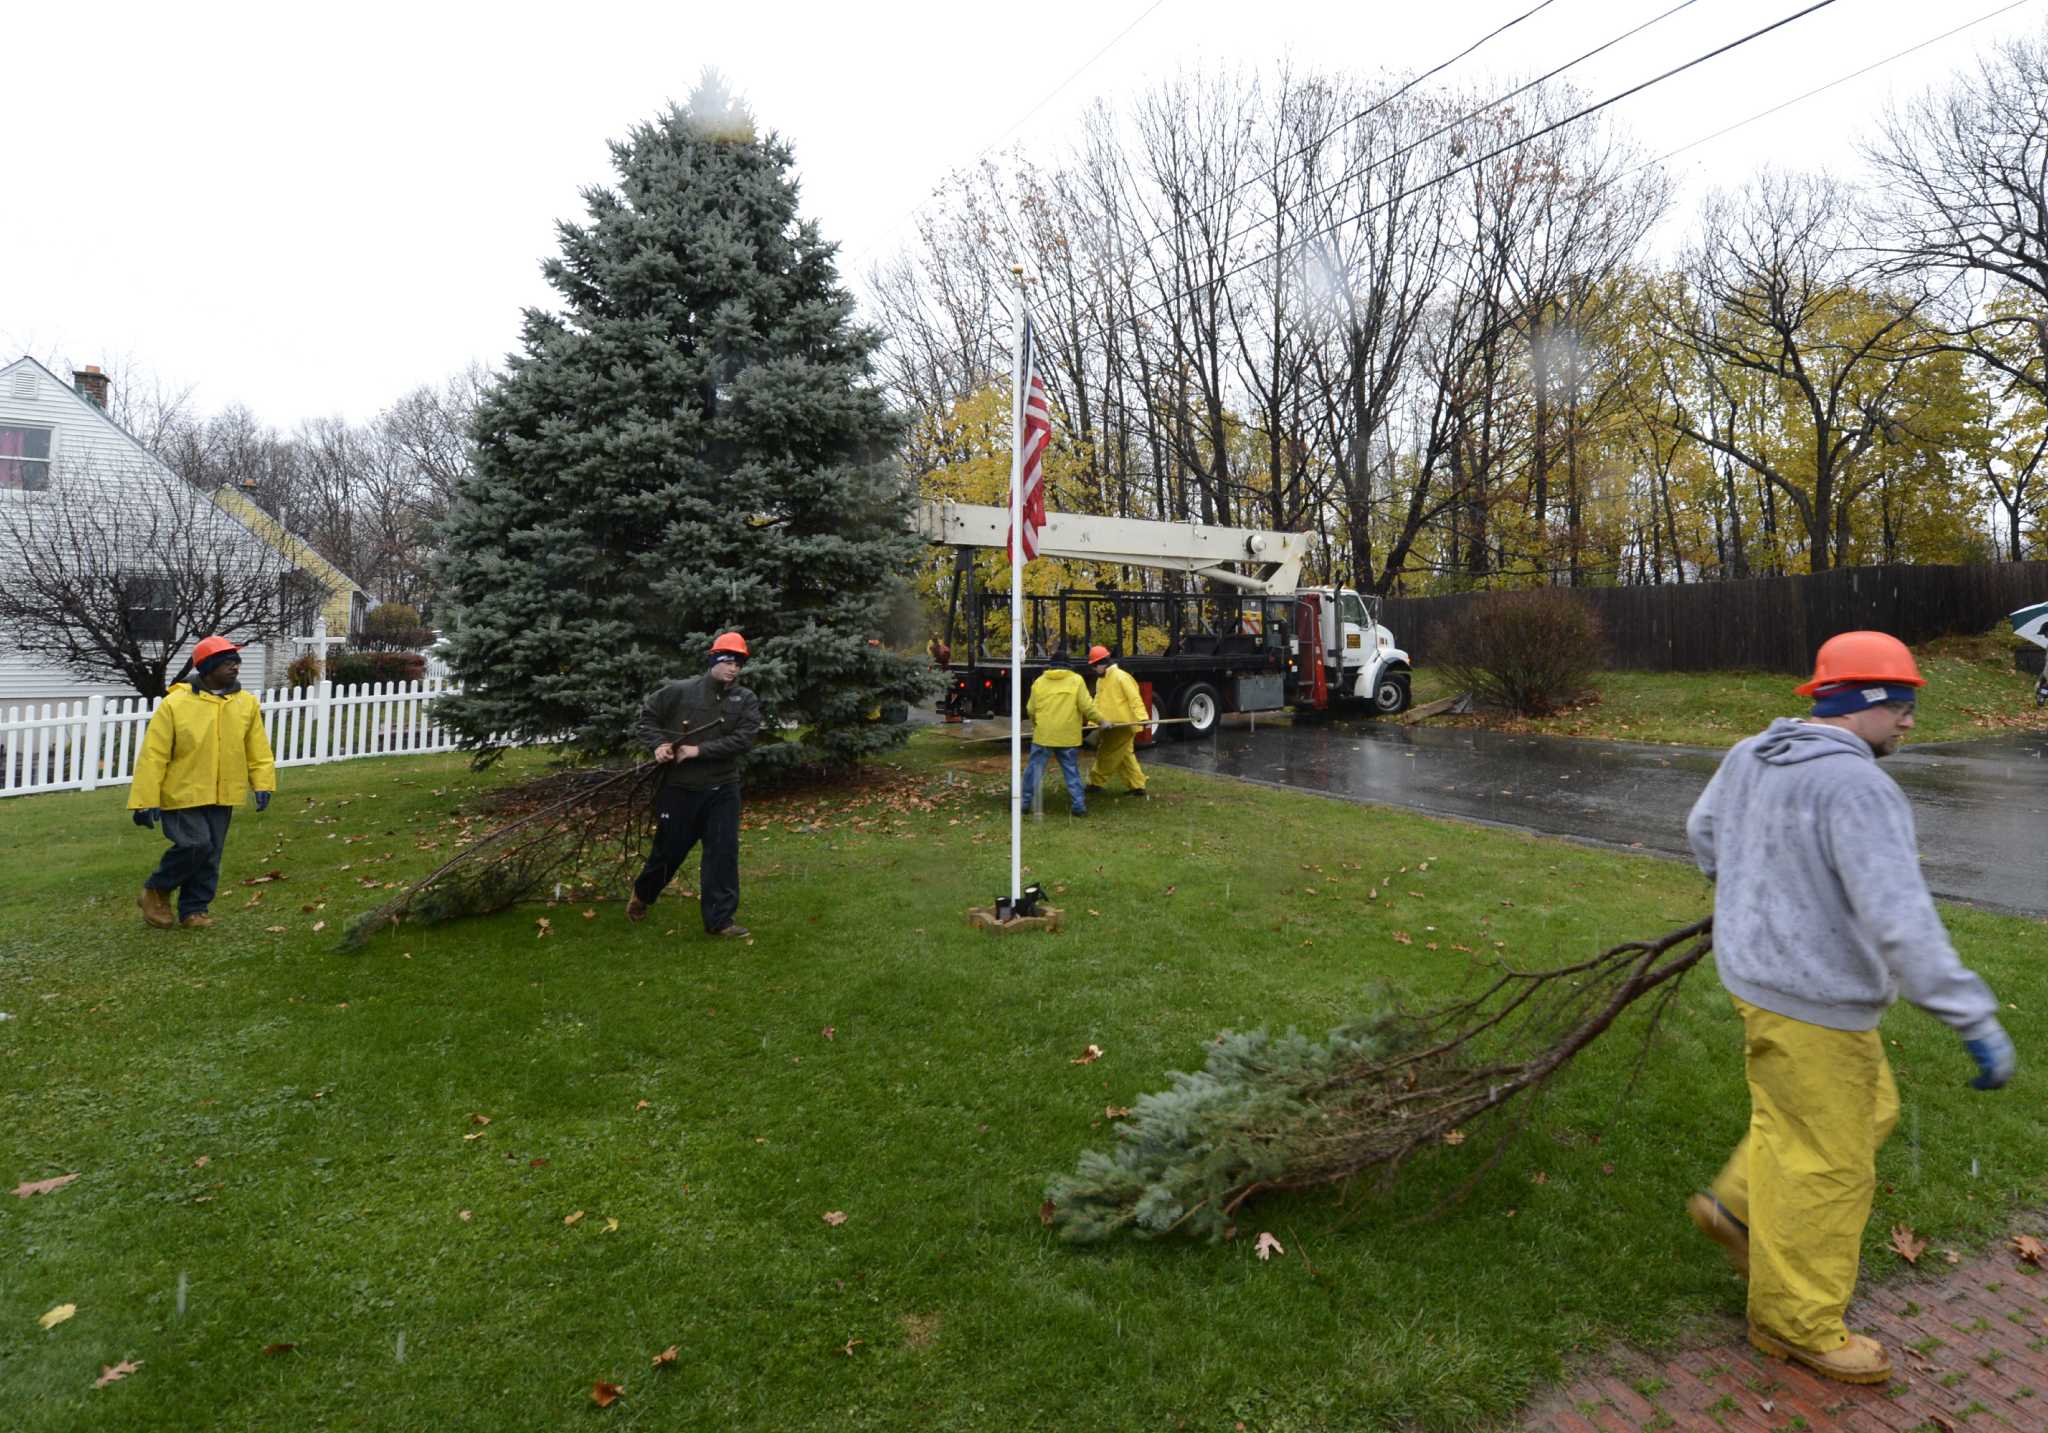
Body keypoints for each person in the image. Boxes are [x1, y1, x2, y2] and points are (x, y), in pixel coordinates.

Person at [1683, 630, 2014, 1386]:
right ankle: (1795, 1322)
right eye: (1901, 704)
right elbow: (1903, 920)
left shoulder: (1752, 753)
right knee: (1829, 1165)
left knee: (1853, 1112)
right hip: (1815, 1001)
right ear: (1864, 701)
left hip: (1757, 982)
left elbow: (1704, 833)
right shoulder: (1858, 787)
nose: (1910, 720)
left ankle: (1738, 1209)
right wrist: (1972, 1016)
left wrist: (1752, 897)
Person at [128, 635, 277, 929]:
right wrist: (145, 800)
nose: (235, 667)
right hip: (181, 792)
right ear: (208, 668)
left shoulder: (246, 703)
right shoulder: (175, 704)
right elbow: (154, 755)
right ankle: (156, 889)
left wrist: (263, 783)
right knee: (195, 845)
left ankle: (194, 910)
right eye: (227, 663)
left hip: (224, 792)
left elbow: (257, 748)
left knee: (211, 854)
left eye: (236, 662)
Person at [628, 631, 763, 937]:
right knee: (669, 851)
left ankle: (720, 921)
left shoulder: (745, 699)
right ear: (713, 660)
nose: (733, 668)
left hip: (723, 788)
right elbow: (647, 719)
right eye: (728, 661)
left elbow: (743, 739)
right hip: (681, 789)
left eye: (738, 664)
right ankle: (643, 894)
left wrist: (699, 751)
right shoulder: (680, 691)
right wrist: (659, 744)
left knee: (722, 853)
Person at [1021, 650, 1100, 817]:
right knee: (1071, 772)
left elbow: (1030, 709)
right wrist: (1102, 721)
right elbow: (1087, 707)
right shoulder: (1076, 680)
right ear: (1068, 665)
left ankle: (1023, 803)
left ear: (1051, 666)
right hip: (1068, 736)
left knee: (1033, 771)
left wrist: (1037, 724)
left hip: (1044, 735)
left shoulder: (1040, 682)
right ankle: (1079, 806)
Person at [1084, 645, 1147, 798]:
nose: (1093, 670)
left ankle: (1095, 783)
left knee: (1106, 754)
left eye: (1094, 666)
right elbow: (1098, 701)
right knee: (1125, 756)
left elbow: (1134, 698)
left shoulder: (1121, 677)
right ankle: (1137, 787)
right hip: (1109, 726)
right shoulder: (1101, 680)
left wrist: (1142, 717)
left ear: (1102, 663)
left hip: (1122, 726)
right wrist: (1093, 721)